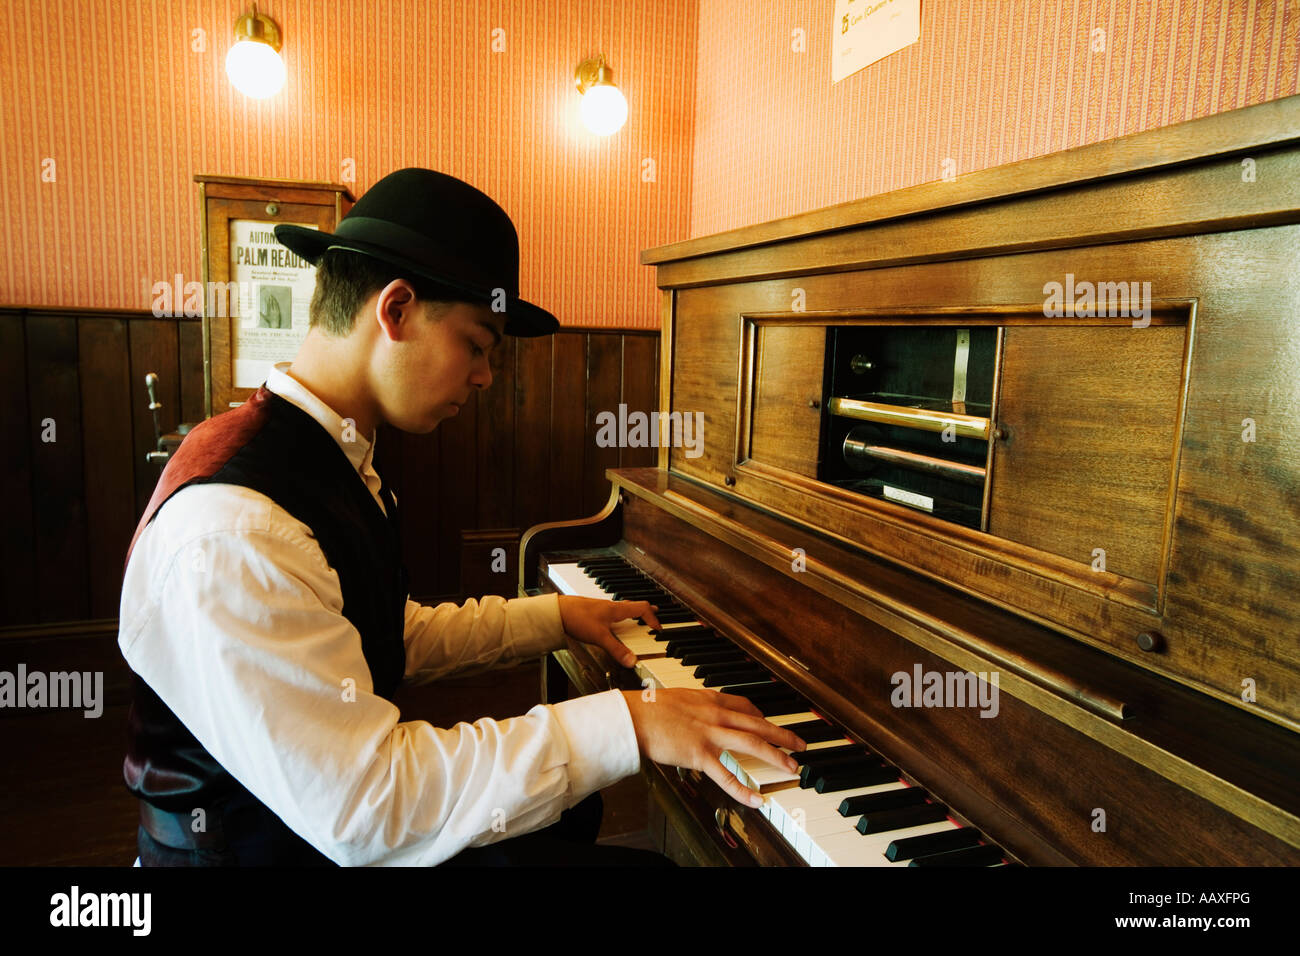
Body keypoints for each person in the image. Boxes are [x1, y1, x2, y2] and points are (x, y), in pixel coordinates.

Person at [118, 167, 804, 866]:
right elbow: (367, 808)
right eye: (477, 345)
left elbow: (382, 634)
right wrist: (630, 722)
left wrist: (555, 617)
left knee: (573, 810)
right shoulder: (236, 531)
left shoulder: (320, 451)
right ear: (396, 310)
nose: (484, 376)